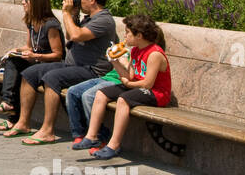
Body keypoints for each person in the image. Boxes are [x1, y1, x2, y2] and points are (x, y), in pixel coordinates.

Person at [0, 0, 118, 143]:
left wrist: (67, 13)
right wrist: (75, 15)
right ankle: (23, 123)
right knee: (29, 73)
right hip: (74, 66)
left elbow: (75, 36)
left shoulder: (104, 20)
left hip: (92, 70)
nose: (77, 0)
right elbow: (72, 35)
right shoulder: (89, 18)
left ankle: (48, 130)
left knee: (52, 78)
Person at [74, 15, 172, 160]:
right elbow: (130, 75)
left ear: (139, 35)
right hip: (138, 88)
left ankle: (113, 145)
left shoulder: (154, 53)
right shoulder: (135, 50)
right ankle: (92, 136)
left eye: (127, 32)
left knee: (123, 99)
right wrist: (114, 61)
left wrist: (128, 84)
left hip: (157, 93)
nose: (125, 36)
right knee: (101, 93)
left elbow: (147, 83)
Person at [0, 0, 63, 131]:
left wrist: (35, 56)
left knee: (23, 74)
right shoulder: (31, 22)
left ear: (36, 2)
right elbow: (29, 46)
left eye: (26, 0)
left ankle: (11, 113)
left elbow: (58, 54)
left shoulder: (50, 25)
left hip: (51, 65)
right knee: (13, 62)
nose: (22, 2)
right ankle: (9, 107)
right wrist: (16, 50)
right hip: (37, 62)